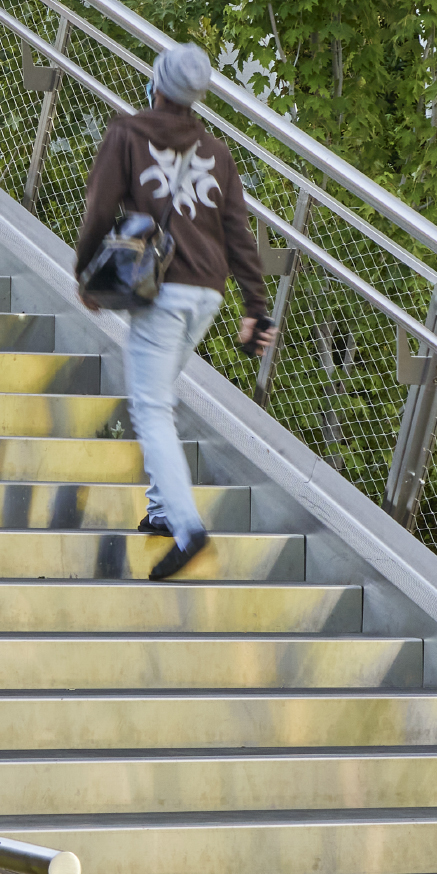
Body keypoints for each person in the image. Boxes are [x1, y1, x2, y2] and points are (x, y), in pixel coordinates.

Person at [72, 42, 276, 582]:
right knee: (160, 396)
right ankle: (163, 510)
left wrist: (85, 273)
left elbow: (99, 209)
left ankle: (188, 529)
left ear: (157, 84)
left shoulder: (128, 134)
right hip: (207, 293)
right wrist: (256, 306)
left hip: (161, 291)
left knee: (150, 409)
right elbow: (238, 231)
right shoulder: (217, 152)